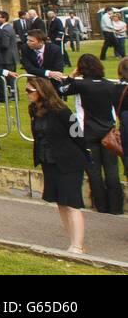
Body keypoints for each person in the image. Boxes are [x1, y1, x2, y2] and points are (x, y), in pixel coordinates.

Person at [27, 77, 89, 254]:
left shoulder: (61, 110)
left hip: (68, 161)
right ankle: (74, 241)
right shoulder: (34, 110)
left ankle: (77, 245)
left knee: (71, 203)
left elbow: (76, 134)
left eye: (30, 91)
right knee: (61, 203)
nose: (27, 94)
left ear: (41, 91)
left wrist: (84, 154)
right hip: (48, 160)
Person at [57, 55, 123, 215]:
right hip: (108, 130)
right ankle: (116, 207)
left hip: (88, 131)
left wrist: (71, 76)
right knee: (112, 169)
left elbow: (61, 90)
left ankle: (101, 205)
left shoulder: (80, 85)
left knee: (93, 171)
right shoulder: (109, 85)